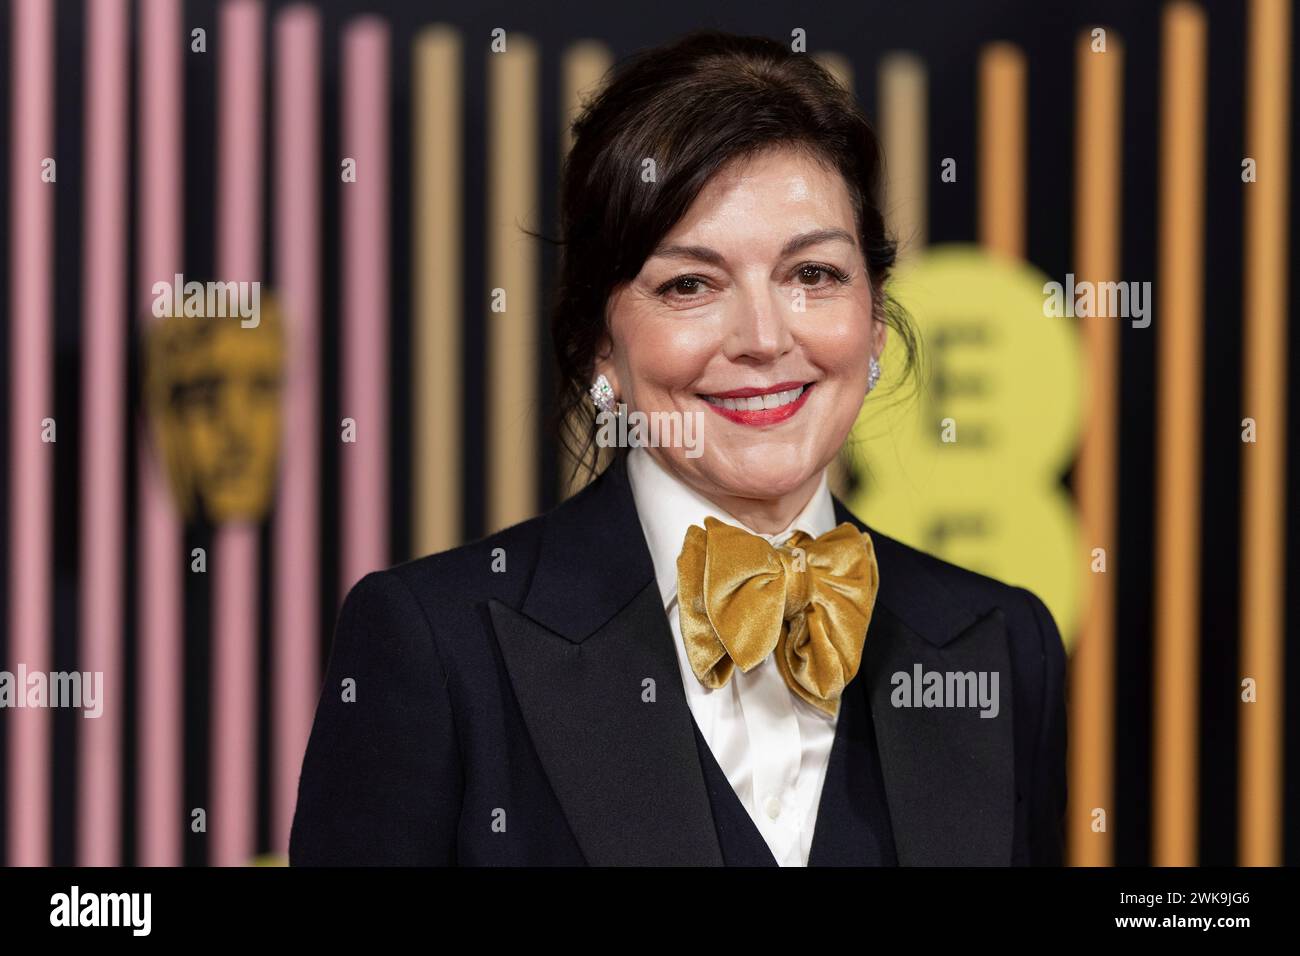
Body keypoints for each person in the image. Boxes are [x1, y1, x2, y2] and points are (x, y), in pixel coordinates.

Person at [290, 29, 1067, 867]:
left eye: (813, 274)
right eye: (689, 285)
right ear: (599, 342)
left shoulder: (998, 642)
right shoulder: (434, 647)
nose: (764, 339)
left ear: (875, 317)